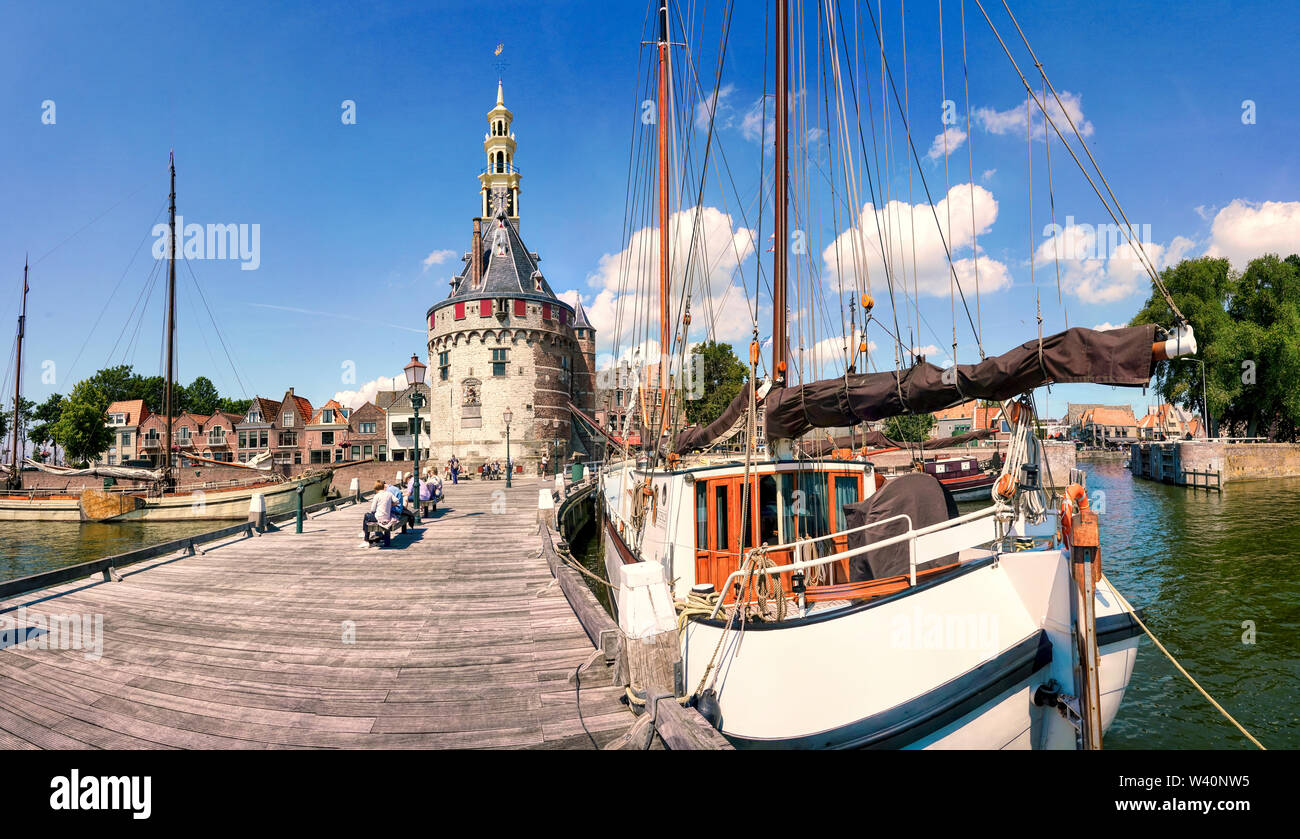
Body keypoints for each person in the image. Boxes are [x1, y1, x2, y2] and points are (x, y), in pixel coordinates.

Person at [364, 480, 397, 547]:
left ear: (376, 488)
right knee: (370, 516)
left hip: (379, 518)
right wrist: (390, 504)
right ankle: (385, 540)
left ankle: (366, 539)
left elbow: (372, 509)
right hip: (387, 517)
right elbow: (397, 501)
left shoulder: (377, 496)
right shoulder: (389, 494)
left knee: (366, 516)